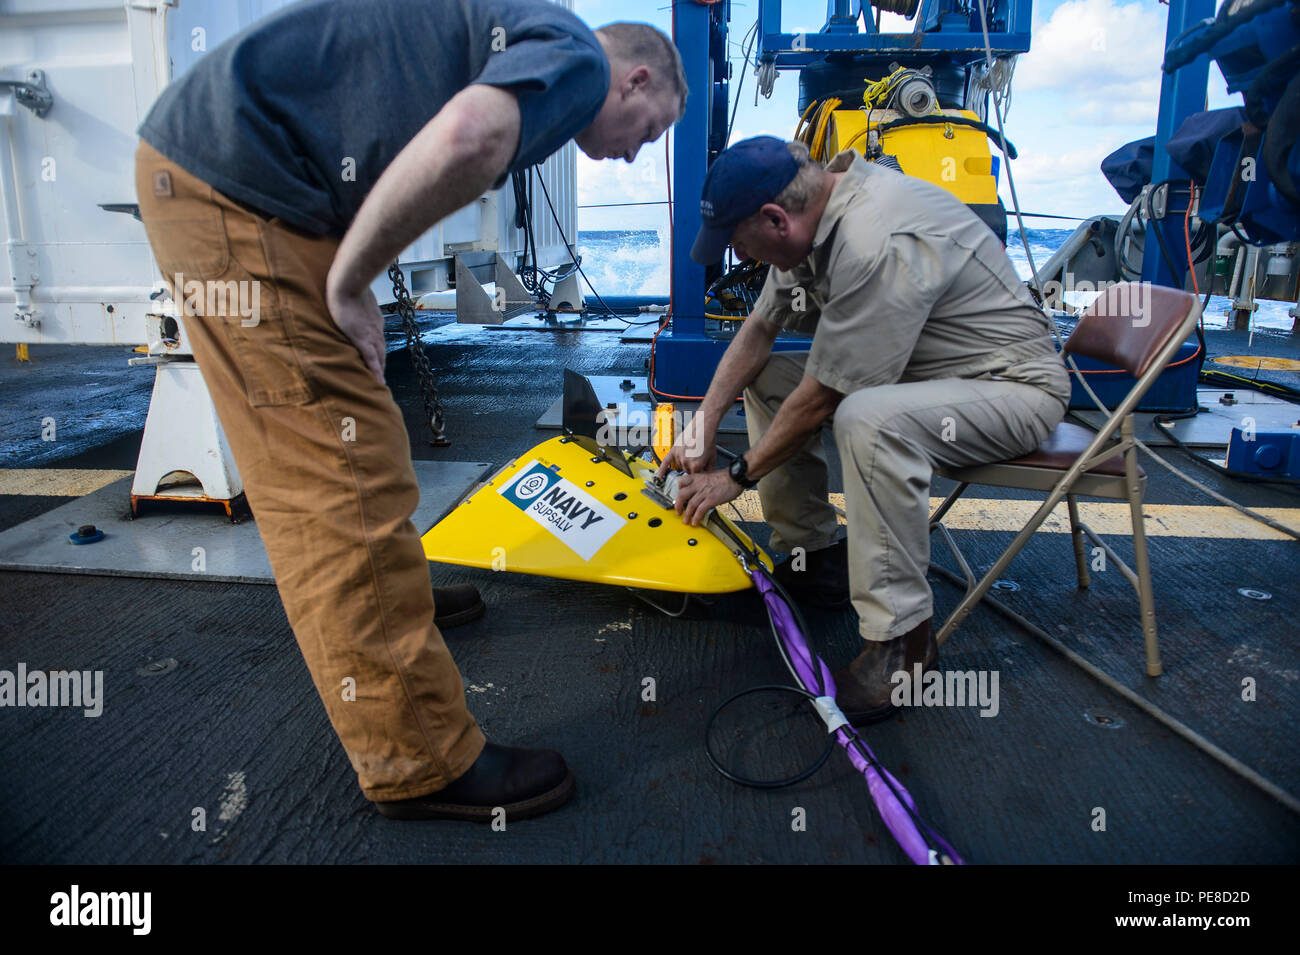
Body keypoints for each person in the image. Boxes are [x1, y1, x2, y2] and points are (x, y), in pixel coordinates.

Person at [133, 0, 687, 822]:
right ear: (635, 77)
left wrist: (351, 266)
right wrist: (351, 282)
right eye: (651, 129)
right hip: (241, 197)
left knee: (361, 446)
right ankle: (419, 757)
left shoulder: (520, 27)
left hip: (226, 175)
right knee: (334, 479)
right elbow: (469, 137)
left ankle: (397, 608)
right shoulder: (575, 55)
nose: (634, 152)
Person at [661, 136, 1070, 724]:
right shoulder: (813, 221)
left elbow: (824, 395)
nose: (741, 257)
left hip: (1012, 390)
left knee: (868, 419)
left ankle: (903, 647)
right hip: (925, 378)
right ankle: (815, 558)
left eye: (738, 243)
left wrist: (738, 474)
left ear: (775, 220)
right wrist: (703, 423)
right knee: (774, 376)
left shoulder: (874, 238)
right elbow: (759, 330)